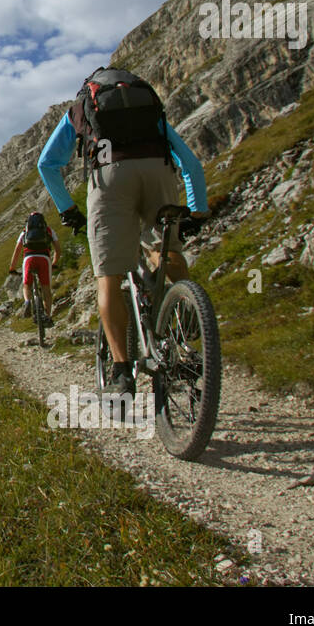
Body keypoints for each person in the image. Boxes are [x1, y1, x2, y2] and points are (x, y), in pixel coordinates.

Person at [37, 67, 209, 398]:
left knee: (110, 279)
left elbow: (47, 164)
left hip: (110, 179)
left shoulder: (80, 108)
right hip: (158, 172)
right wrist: (197, 209)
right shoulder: (146, 108)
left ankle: (120, 374)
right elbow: (190, 162)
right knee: (166, 250)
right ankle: (185, 318)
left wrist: (68, 210)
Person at [3, 211, 60, 325]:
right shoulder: (49, 231)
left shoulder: (25, 232)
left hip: (29, 258)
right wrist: (53, 263)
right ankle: (47, 316)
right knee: (46, 289)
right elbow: (58, 250)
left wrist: (12, 268)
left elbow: (17, 250)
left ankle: (28, 302)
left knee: (26, 285)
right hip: (44, 258)